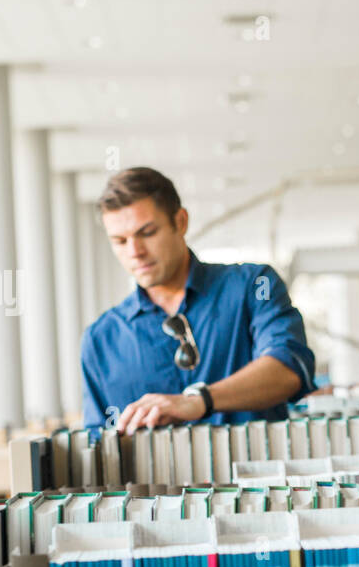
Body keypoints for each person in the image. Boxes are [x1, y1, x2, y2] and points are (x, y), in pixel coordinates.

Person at [80, 167, 316, 434]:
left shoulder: (253, 286)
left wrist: (199, 401)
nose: (135, 252)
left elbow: (288, 369)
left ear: (180, 222)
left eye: (147, 233)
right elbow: (98, 442)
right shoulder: (101, 339)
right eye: (120, 241)